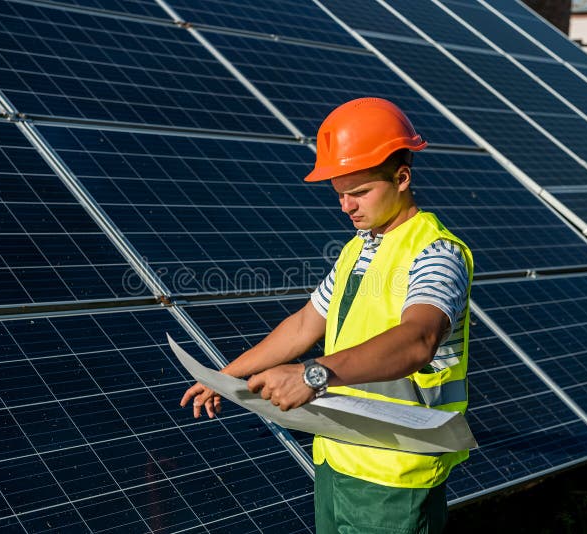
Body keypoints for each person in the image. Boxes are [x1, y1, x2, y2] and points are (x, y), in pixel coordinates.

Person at [180, 97, 473, 534]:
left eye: (359, 192)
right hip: (339, 456)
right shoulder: (357, 251)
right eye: (339, 194)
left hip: (396, 472)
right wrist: (226, 375)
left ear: (402, 177)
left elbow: (419, 339)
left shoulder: (436, 253)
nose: (346, 207)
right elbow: (303, 325)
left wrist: (311, 375)